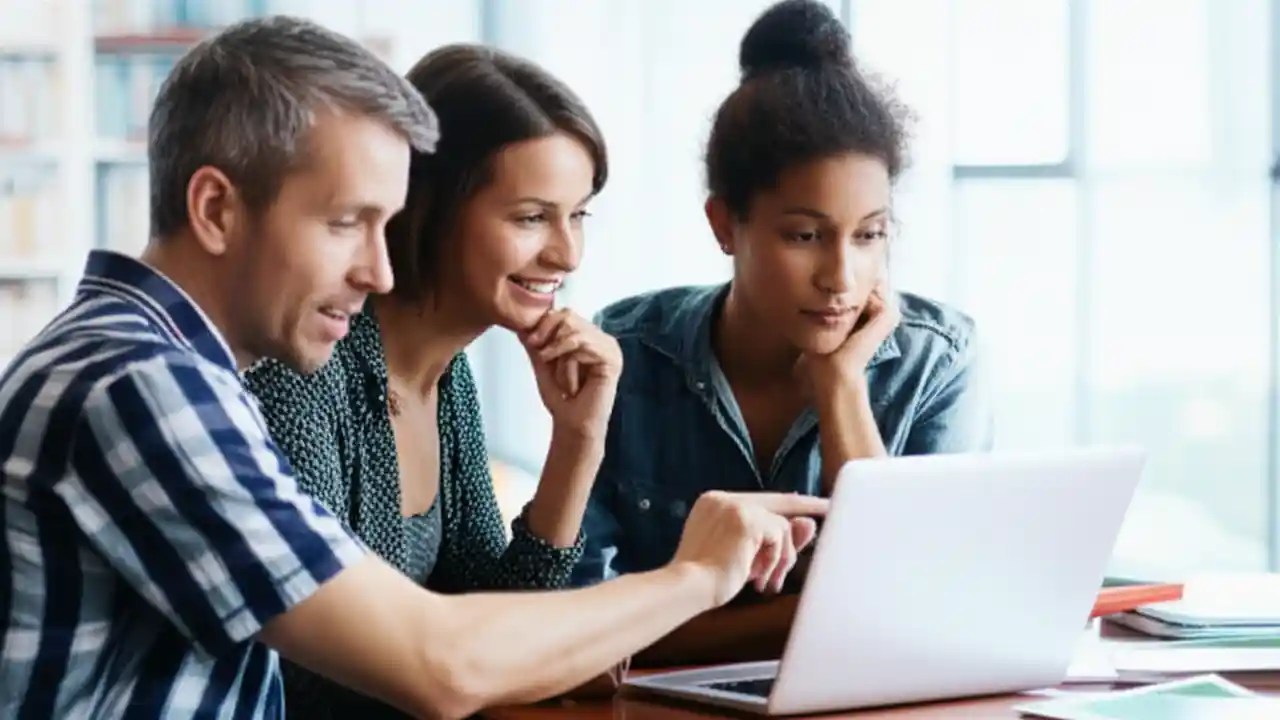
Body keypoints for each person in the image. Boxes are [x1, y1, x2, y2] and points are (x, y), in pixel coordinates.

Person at [0, 17, 825, 719]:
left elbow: (474, 627)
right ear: (216, 208)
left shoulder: (174, 369)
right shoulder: (142, 387)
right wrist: (696, 576)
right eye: (345, 224)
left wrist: (577, 444)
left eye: (382, 224)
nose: (380, 272)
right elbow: (437, 664)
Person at [571, 0, 993, 665]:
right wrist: (829, 616)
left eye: (870, 235)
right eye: (805, 235)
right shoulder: (629, 349)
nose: (841, 277)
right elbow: (576, 618)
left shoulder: (935, 361)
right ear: (724, 225)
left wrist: (841, 386)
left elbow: (925, 614)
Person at [243, 43, 618, 717]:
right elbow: (322, 677)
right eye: (532, 217)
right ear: (429, 207)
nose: (567, 253)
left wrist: (577, 439)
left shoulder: (449, 381)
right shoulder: (304, 377)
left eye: (578, 214)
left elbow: (501, 617)